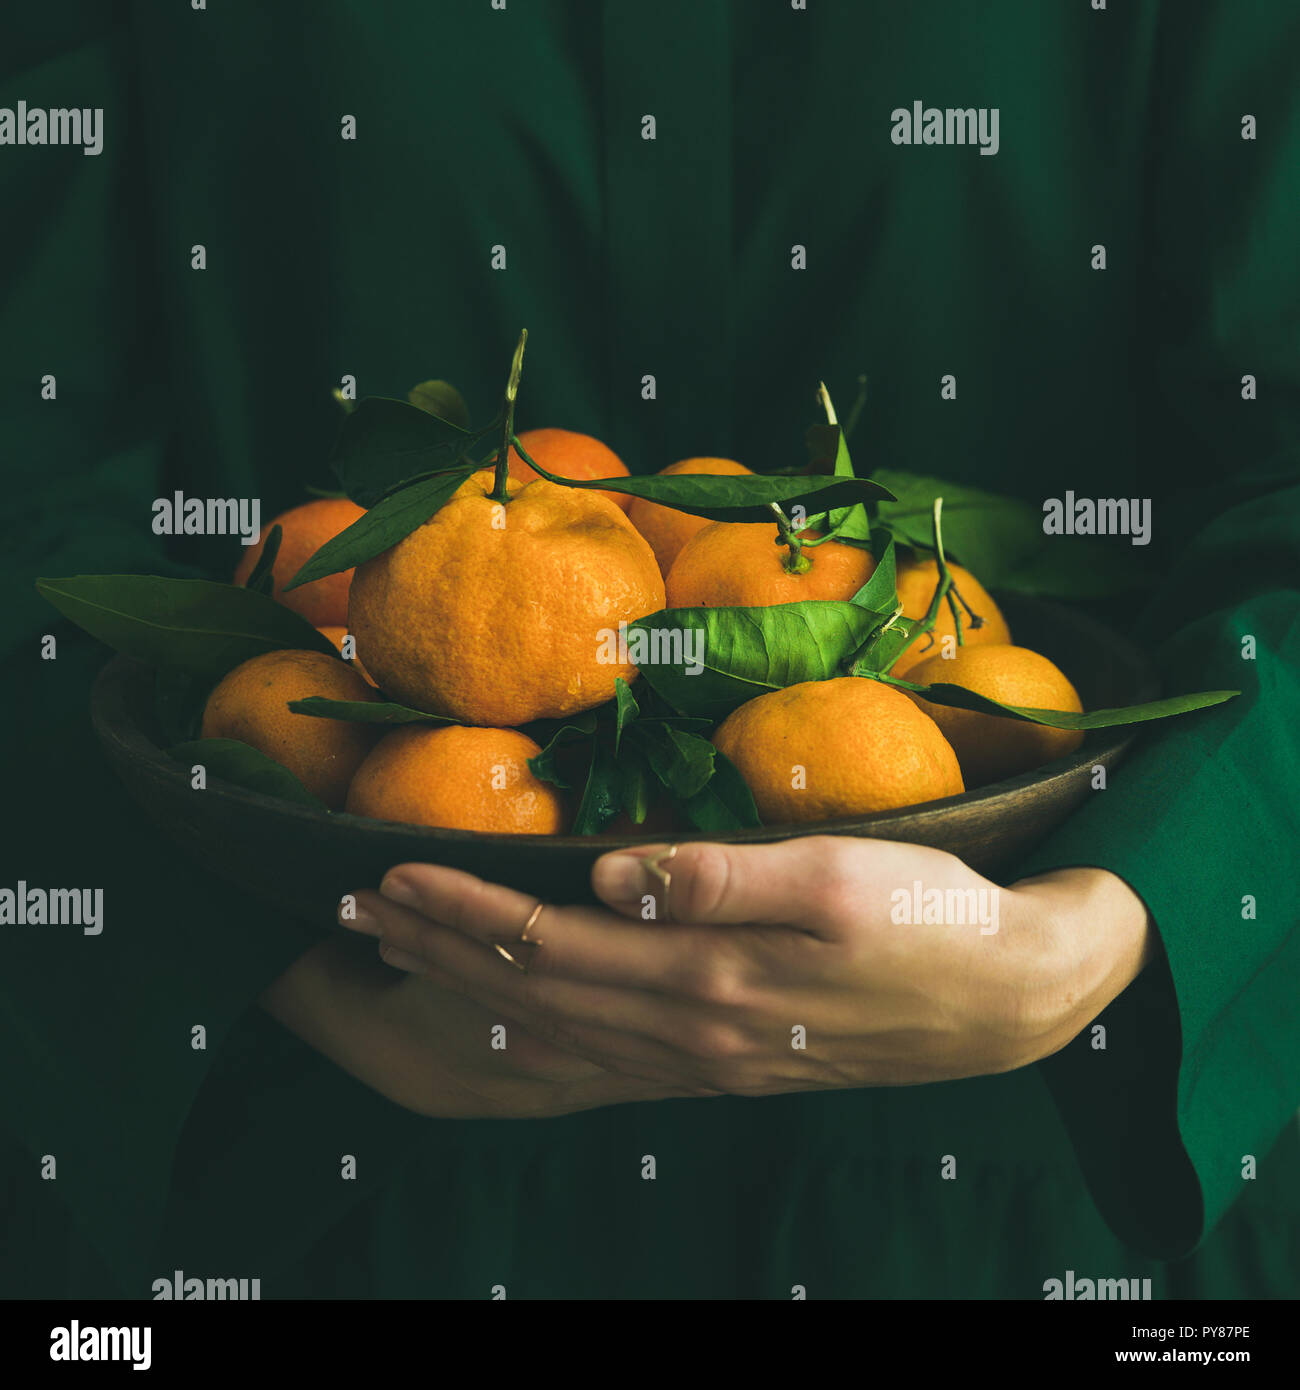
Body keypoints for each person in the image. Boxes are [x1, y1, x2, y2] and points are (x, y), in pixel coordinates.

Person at [3, 0, 1297, 1299]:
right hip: (327, 1170)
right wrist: (269, 953)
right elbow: (31, 466)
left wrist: (1120, 922)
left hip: (1019, 1210)